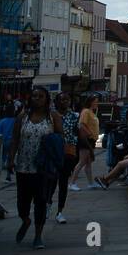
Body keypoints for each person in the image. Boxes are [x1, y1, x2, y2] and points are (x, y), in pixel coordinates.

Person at [7, 86, 63, 248]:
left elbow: (60, 139)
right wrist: (11, 159)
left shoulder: (53, 117)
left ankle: (38, 236)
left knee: (41, 201)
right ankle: (25, 220)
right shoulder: (22, 117)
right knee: (22, 204)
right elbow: (15, 139)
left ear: (46, 99)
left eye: (40, 96)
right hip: (23, 166)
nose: (37, 99)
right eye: (34, 96)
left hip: (43, 168)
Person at [50, 92, 80, 222]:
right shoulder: (50, 116)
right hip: (53, 152)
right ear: (56, 102)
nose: (64, 102)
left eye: (67, 99)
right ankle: (47, 203)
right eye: (62, 99)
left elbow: (78, 133)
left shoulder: (74, 116)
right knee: (50, 182)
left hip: (68, 152)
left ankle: (59, 211)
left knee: (63, 183)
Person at [69, 95, 100, 190]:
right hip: (86, 140)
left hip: (91, 140)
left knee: (88, 162)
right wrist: (89, 133)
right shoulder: (86, 111)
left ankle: (91, 183)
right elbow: (81, 124)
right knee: (82, 162)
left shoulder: (91, 112)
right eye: (95, 101)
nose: (97, 103)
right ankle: (72, 183)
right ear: (90, 102)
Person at [0, 105, 17, 181]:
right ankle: (8, 176)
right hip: (12, 143)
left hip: (3, 142)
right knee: (10, 159)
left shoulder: (2, 121)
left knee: (2, 158)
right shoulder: (15, 121)